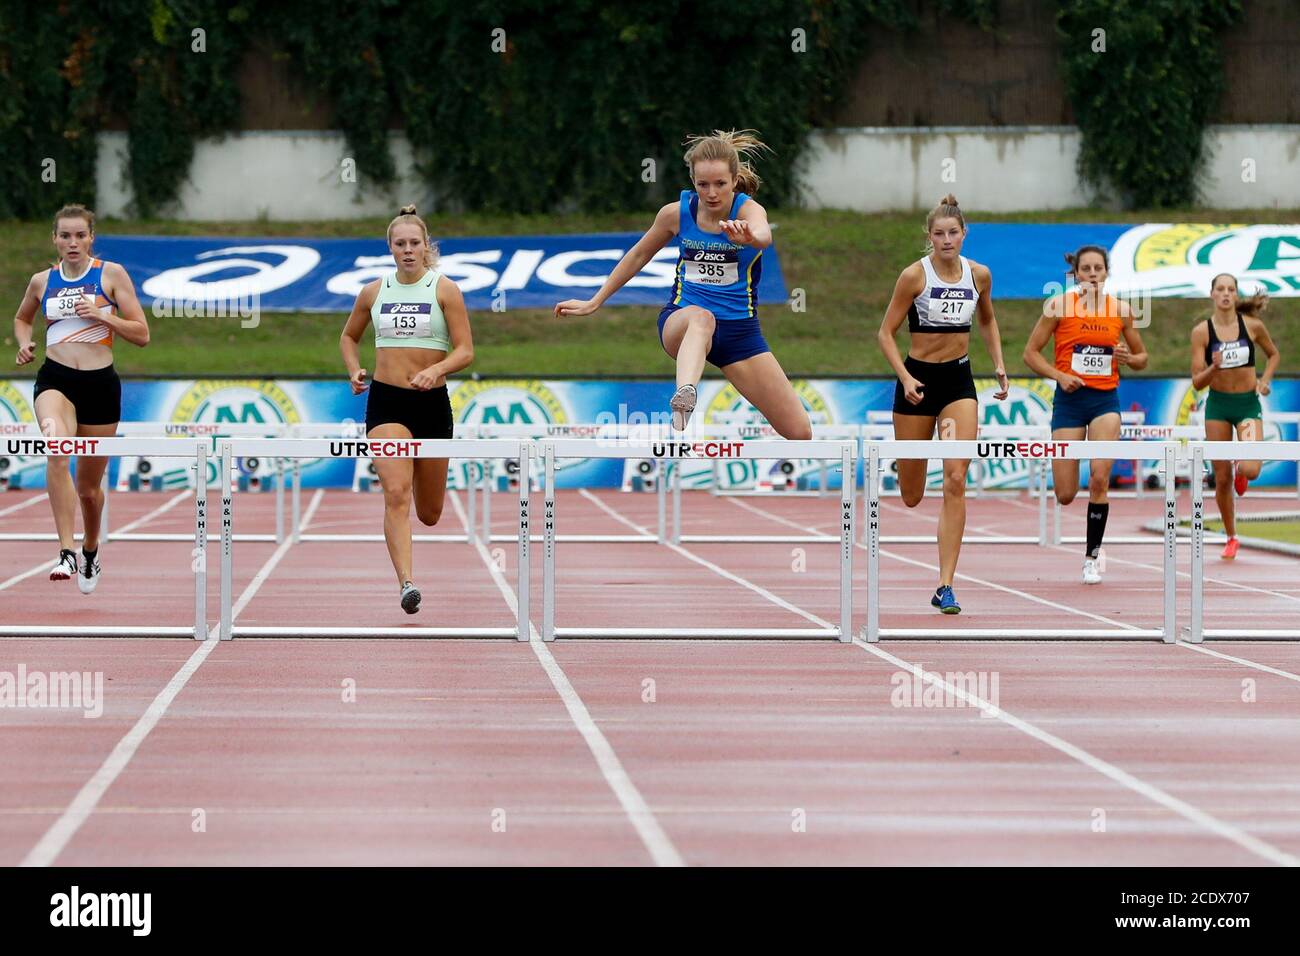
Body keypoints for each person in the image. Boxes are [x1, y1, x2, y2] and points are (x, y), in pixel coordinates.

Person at [554, 130, 811, 438]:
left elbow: (764, 234)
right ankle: (684, 399)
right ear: (692, 181)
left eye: (720, 184)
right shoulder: (676, 214)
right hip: (683, 321)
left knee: (799, 431)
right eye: (703, 185)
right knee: (703, 317)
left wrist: (751, 238)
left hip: (739, 332)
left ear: (734, 180)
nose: (712, 193)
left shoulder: (747, 210)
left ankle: (686, 395)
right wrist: (595, 301)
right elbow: (638, 255)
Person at [878, 194, 1009, 614]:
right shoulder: (914, 277)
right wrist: (905, 376)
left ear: (964, 234)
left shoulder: (980, 276)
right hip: (917, 381)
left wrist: (999, 367)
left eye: (953, 233)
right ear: (929, 236)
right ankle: (908, 465)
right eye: (939, 234)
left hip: (957, 382)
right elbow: (885, 333)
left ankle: (945, 584)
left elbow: (986, 319)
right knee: (912, 494)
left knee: (955, 477)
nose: (946, 240)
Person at [340, 205, 474, 614]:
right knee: (395, 493)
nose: (408, 250)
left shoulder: (444, 289)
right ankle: (407, 584)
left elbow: (466, 351)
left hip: (431, 404)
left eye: (415, 243)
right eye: (400, 244)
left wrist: (436, 369)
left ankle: (413, 557)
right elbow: (349, 337)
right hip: (388, 403)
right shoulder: (374, 292)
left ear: (425, 246)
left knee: (429, 512)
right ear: (390, 249)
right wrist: (354, 371)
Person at [12, 204, 150, 592]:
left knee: (89, 490)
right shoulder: (42, 281)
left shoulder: (110, 274)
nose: (72, 243)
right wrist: (24, 344)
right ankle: (66, 550)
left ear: (91, 238)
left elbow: (142, 334)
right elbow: (23, 318)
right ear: (54, 239)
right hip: (55, 380)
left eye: (80, 235)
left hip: (100, 386)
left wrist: (102, 315)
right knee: (56, 447)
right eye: (65, 236)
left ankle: (90, 548)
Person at [1023, 245, 1148, 584]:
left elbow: (1142, 357)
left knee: (1099, 477)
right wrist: (1059, 375)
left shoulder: (1120, 310)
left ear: (1107, 273)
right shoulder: (1058, 306)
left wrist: (1127, 356)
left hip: (1105, 401)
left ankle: (1092, 558)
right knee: (1065, 493)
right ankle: (1083, 530)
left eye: (1098, 268)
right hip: (1069, 401)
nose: (1093, 274)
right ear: (1076, 274)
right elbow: (1030, 353)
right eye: (1086, 269)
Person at [1190, 273, 1279, 559]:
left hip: (1246, 406)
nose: (1226, 294)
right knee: (1222, 477)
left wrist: (1264, 380)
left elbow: (1273, 355)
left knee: (1251, 469)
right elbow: (1196, 382)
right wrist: (1213, 368)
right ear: (1212, 294)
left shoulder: (1252, 326)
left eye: (1231, 289)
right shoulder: (1201, 332)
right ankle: (1232, 536)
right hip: (1217, 407)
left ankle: (1243, 465)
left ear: (1236, 295)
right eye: (1221, 289)